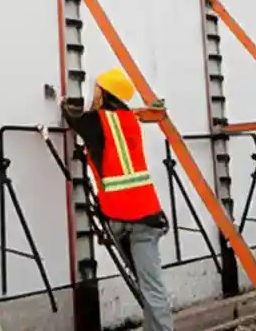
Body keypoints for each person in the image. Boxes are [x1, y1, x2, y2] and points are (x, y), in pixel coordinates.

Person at [61, 67, 174, 331]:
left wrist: (62, 101)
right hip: (141, 218)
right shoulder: (128, 120)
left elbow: (73, 117)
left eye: (97, 90)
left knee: (150, 287)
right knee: (148, 286)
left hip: (130, 220)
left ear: (104, 92)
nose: (94, 94)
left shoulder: (100, 121)